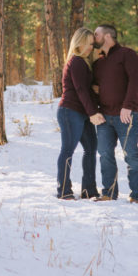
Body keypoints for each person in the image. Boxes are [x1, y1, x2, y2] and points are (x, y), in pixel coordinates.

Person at [90, 24, 138, 203]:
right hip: (105, 116)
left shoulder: (127, 55)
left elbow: (135, 81)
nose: (93, 37)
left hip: (127, 115)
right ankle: (109, 193)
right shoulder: (98, 63)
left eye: (96, 34)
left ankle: (136, 196)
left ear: (107, 36)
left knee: (130, 154)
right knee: (105, 154)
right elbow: (97, 88)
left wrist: (128, 106)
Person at [56, 27, 100, 200]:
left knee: (91, 148)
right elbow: (80, 90)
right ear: (79, 42)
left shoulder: (84, 62)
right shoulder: (76, 61)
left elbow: (85, 87)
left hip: (83, 112)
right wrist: (93, 113)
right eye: (88, 43)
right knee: (68, 150)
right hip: (70, 111)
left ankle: (89, 190)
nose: (91, 47)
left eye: (92, 44)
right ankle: (64, 190)